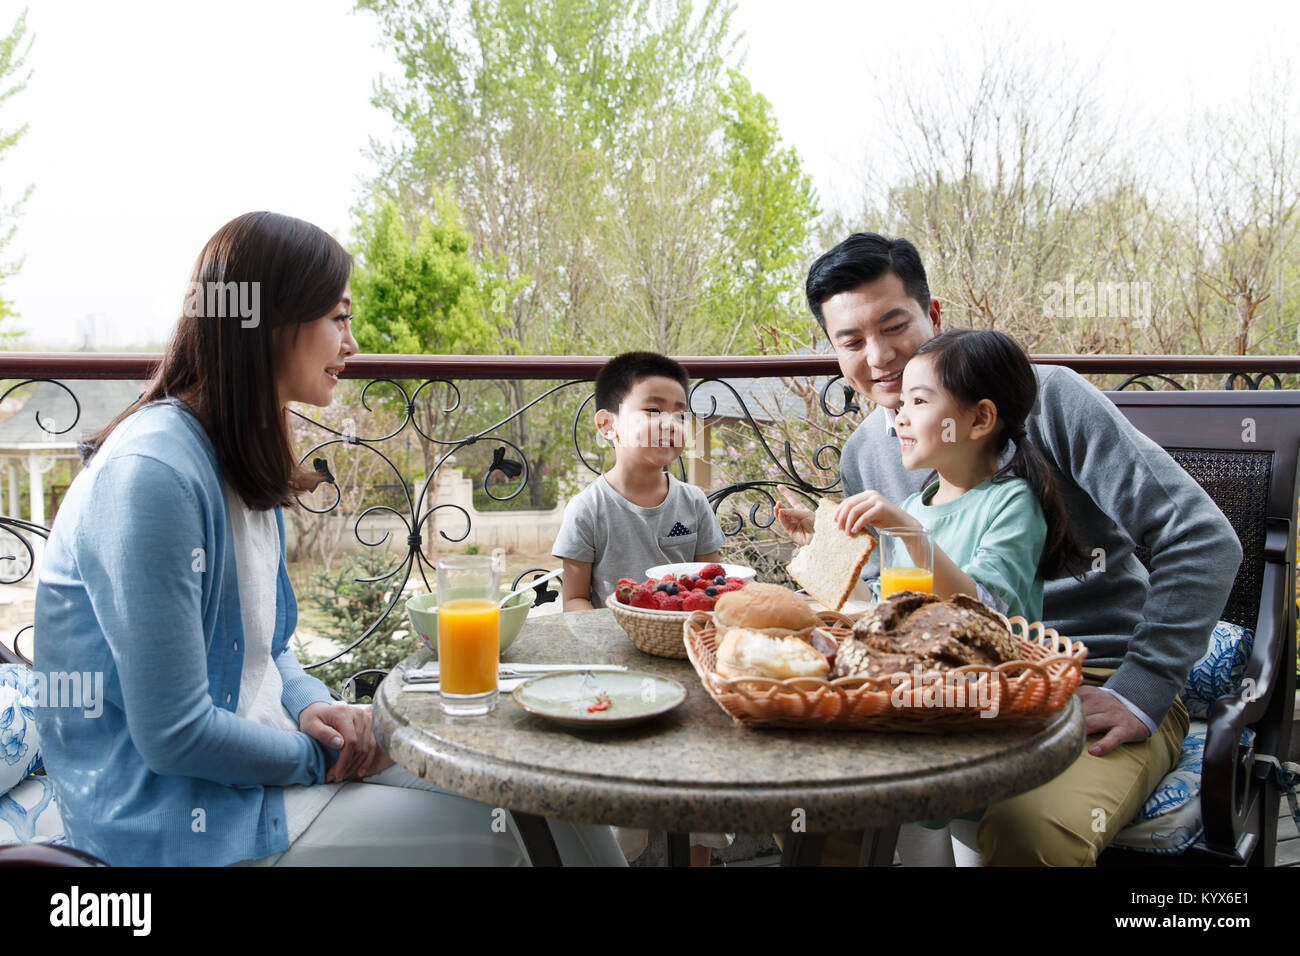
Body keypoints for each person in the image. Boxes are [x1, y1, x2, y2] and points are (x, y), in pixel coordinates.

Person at [33, 211, 625, 867]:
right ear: (271, 322)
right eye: (337, 318)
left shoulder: (238, 456)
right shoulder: (153, 478)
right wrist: (319, 753)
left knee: (543, 785)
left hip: (256, 764)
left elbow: (268, 649)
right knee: (490, 836)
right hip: (176, 817)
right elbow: (174, 737)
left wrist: (315, 703)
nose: (353, 342)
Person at [774, 232, 1241, 866]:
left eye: (894, 325)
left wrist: (1144, 685)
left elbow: (1204, 538)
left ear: (933, 315)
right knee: (815, 812)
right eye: (851, 342)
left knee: (1030, 833)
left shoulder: (1052, 402)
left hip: (1089, 680)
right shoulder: (866, 453)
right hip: (947, 693)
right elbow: (905, 598)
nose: (878, 357)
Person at [552, 350, 730, 865]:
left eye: (679, 412)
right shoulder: (590, 507)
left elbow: (712, 588)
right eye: (652, 410)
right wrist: (601, 647)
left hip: (691, 658)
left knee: (699, 785)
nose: (670, 423)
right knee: (622, 799)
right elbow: (575, 597)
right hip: (620, 662)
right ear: (608, 425)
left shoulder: (693, 502)